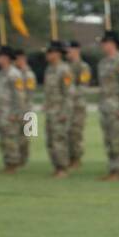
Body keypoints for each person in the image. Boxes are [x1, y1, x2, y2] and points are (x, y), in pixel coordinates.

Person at [96, 32, 119, 182]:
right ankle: (112, 169)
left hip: (117, 107)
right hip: (106, 107)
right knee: (109, 140)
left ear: (112, 43)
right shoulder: (103, 63)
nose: (102, 46)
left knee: (118, 140)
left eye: (104, 43)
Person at [42, 40, 74, 177]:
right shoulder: (49, 70)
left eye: (49, 52)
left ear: (57, 54)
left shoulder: (64, 70)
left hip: (60, 112)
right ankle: (56, 166)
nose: (47, 55)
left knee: (59, 140)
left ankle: (62, 168)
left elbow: (68, 93)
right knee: (50, 141)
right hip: (50, 111)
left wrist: (65, 112)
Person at [0, 46, 24, 174]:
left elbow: (20, 96)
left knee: (11, 140)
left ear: (6, 58)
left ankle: (13, 164)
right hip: (1, 113)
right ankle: (7, 163)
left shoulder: (14, 74)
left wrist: (16, 113)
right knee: (3, 140)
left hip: (10, 114)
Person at [65, 40, 92, 170]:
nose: (67, 53)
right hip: (67, 106)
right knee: (67, 133)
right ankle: (69, 158)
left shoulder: (83, 67)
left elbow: (83, 86)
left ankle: (76, 159)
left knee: (76, 133)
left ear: (76, 50)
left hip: (77, 106)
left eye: (69, 50)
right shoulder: (66, 67)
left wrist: (69, 93)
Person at [14, 49, 35, 168]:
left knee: (25, 137)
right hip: (17, 109)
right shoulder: (15, 73)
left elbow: (29, 93)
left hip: (27, 110)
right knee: (15, 135)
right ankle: (16, 158)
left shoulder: (29, 74)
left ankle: (23, 159)